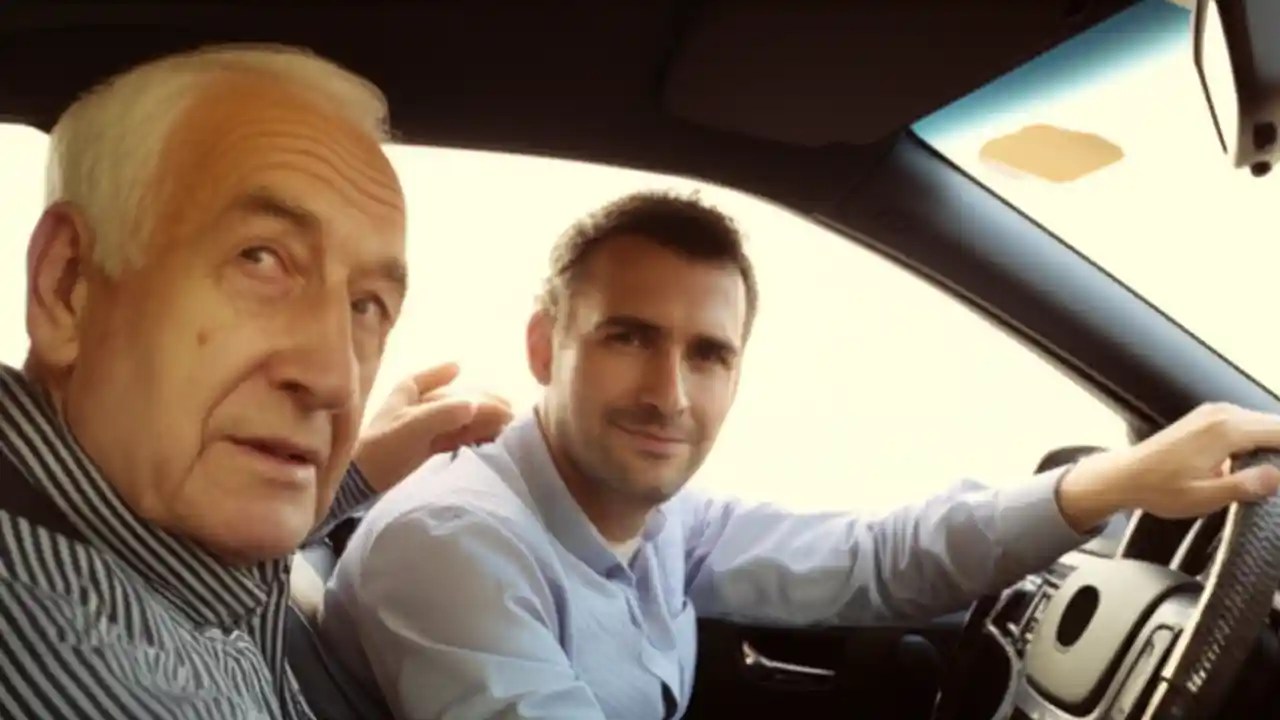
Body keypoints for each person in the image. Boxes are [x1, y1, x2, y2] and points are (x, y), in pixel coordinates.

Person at [322, 191, 1280, 720]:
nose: (670, 393)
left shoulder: (655, 521)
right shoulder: (454, 544)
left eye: (708, 354)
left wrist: (1111, 484)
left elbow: (875, 561)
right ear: (544, 346)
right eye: (628, 338)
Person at [0, 45, 510, 719]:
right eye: (261, 260)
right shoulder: (81, 668)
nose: (334, 380)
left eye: (365, 306)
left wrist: (352, 474)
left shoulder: (143, 523)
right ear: (68, 286)